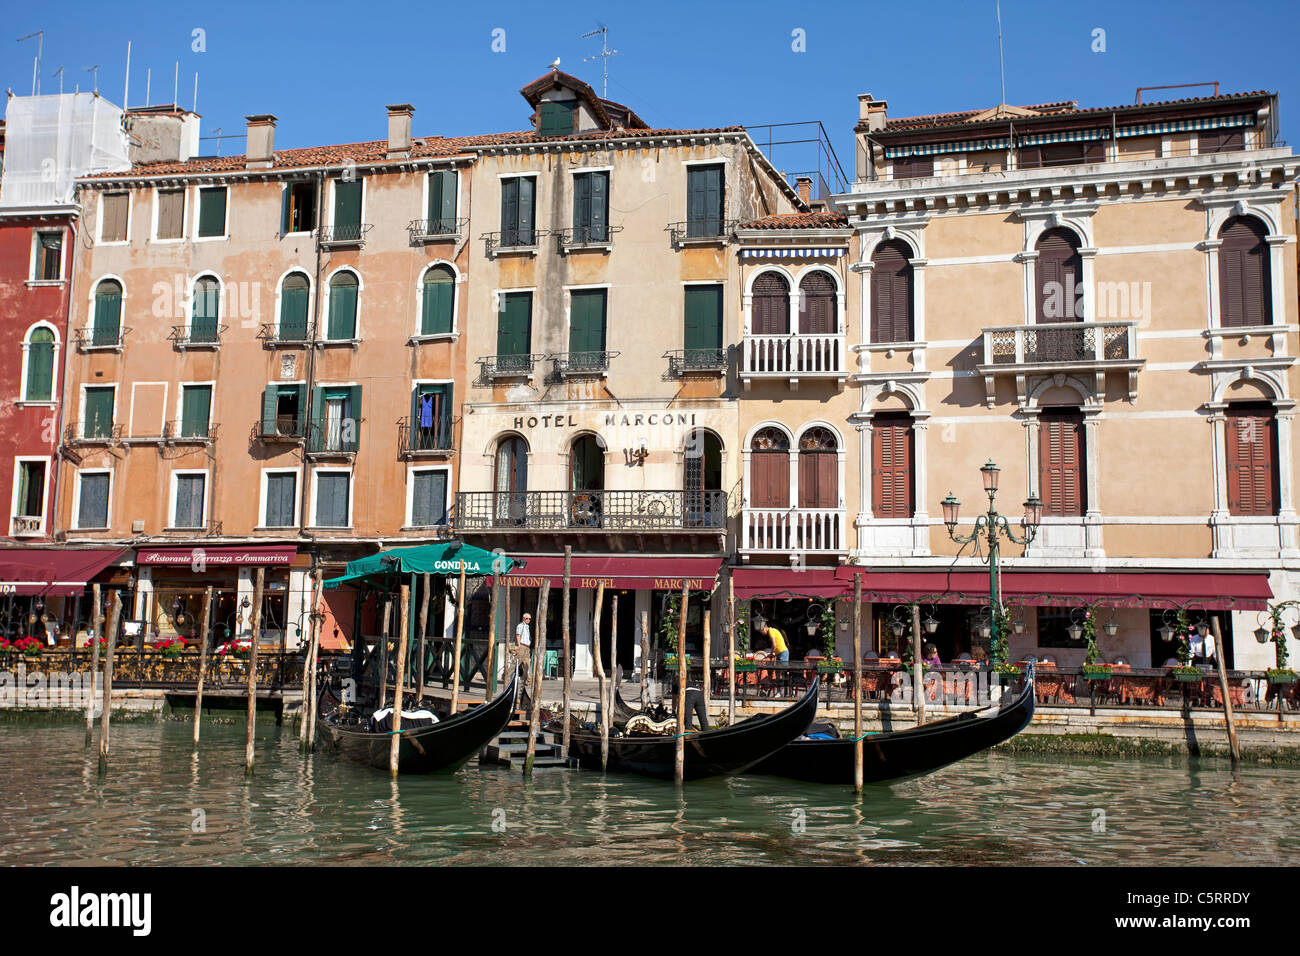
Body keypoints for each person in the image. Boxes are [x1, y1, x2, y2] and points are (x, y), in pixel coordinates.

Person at [514, 612, 533, 683]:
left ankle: (529, 680)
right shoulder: (520, 625)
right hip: (522, 646)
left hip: (527, 647)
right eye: (526, 618)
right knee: (515, 663)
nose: (528, 620)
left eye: (529, 619)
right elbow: (518, 635)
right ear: (523, 618)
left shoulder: (527, 627)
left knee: (527, 664)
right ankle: (506, 676)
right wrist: (519, 645)